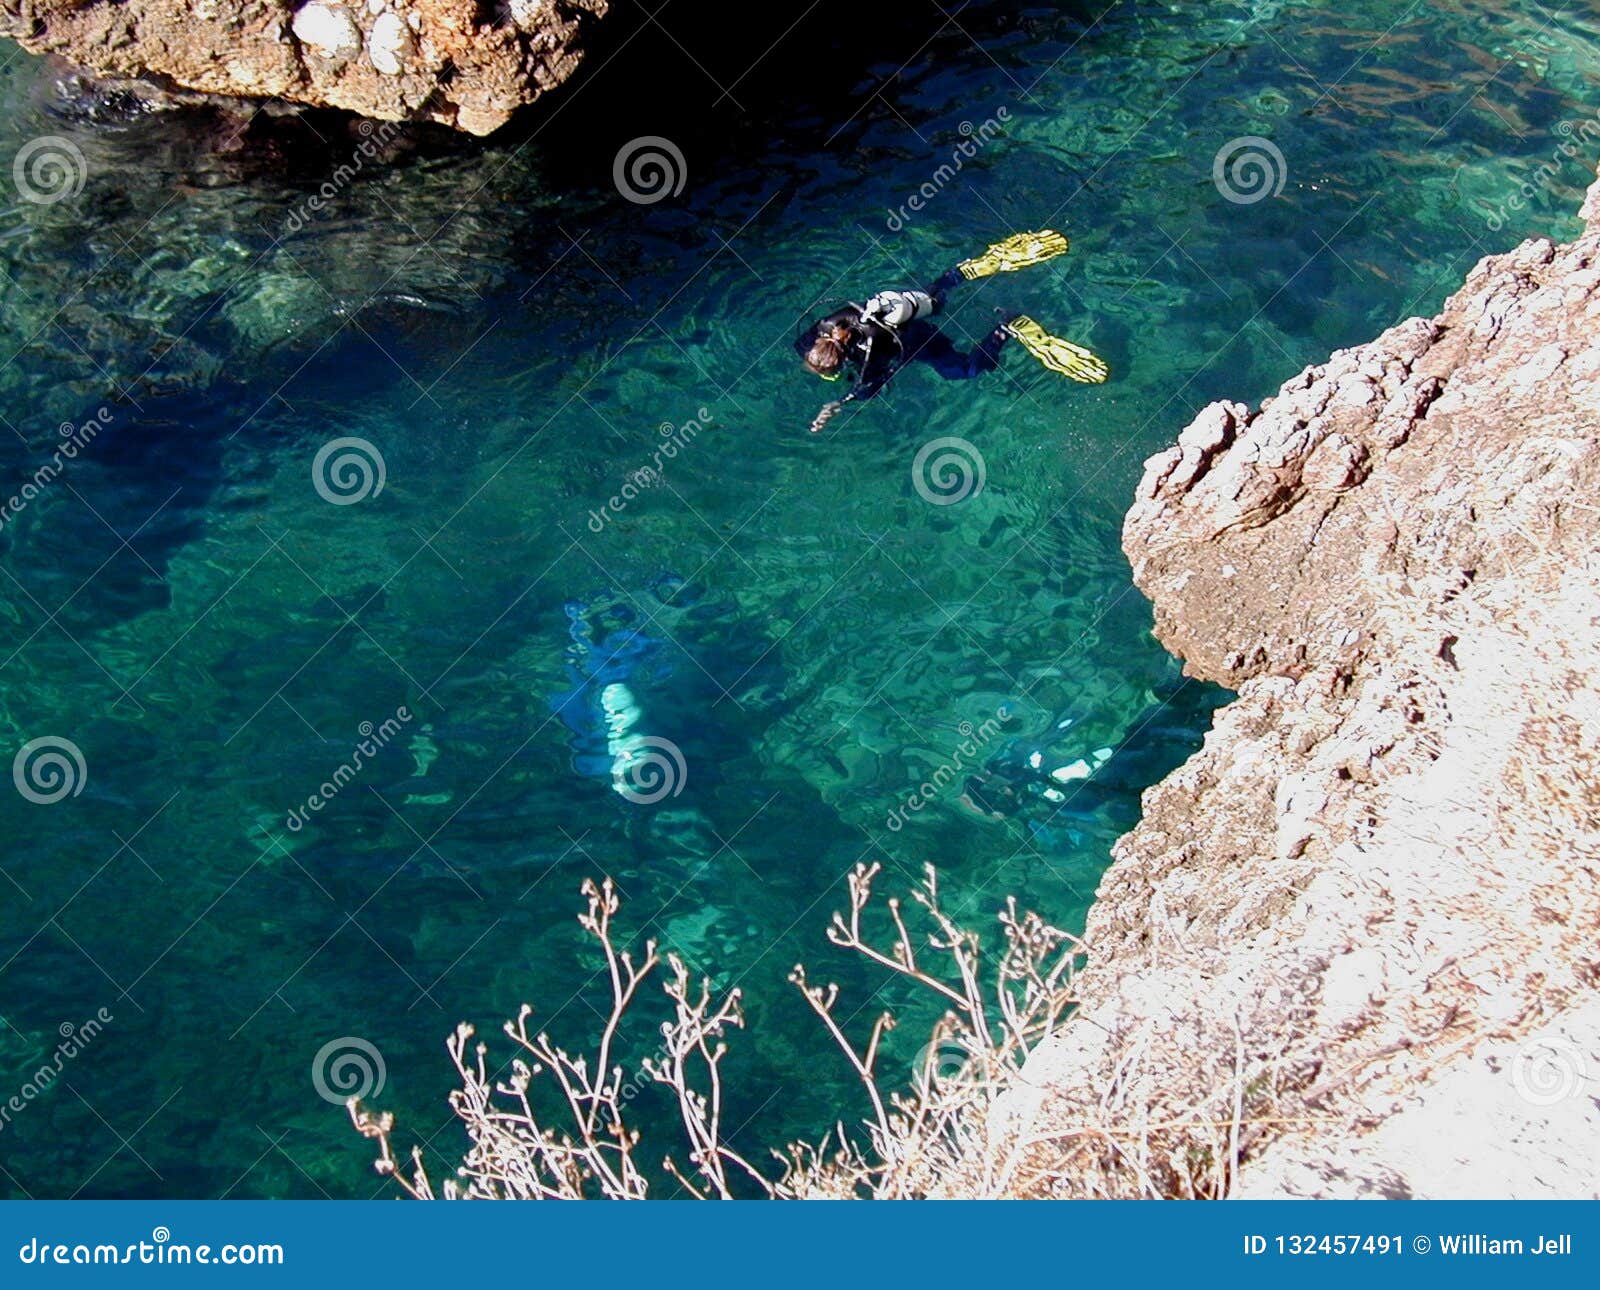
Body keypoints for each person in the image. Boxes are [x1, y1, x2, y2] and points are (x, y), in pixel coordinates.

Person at [796, 230, 1109, 432]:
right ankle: (964, 270)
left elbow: (869, 388)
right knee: (935, 296)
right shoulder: (828, 324)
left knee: (963, 370)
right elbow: (804, 344)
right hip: (898, 308)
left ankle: (1006, 328)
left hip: (915, 339)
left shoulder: (869, 358)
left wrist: (837, 404)